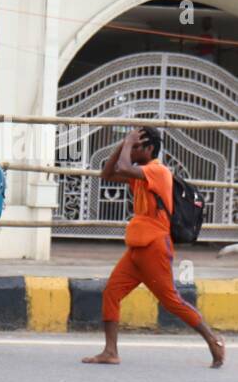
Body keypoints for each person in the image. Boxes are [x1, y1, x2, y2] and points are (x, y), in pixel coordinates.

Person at [82, 126, 225, 368]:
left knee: (170, 301)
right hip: (137, 247)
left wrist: (127, 145)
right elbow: (107, 174)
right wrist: (123, 145)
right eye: (132, 146)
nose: (132, 149)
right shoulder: (140, 173)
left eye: (137, 146)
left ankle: (213, 340)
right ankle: (110, 351)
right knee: (112, 292)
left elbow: (124, 167)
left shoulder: (157, 171)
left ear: (149, 149)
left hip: (155, 247)